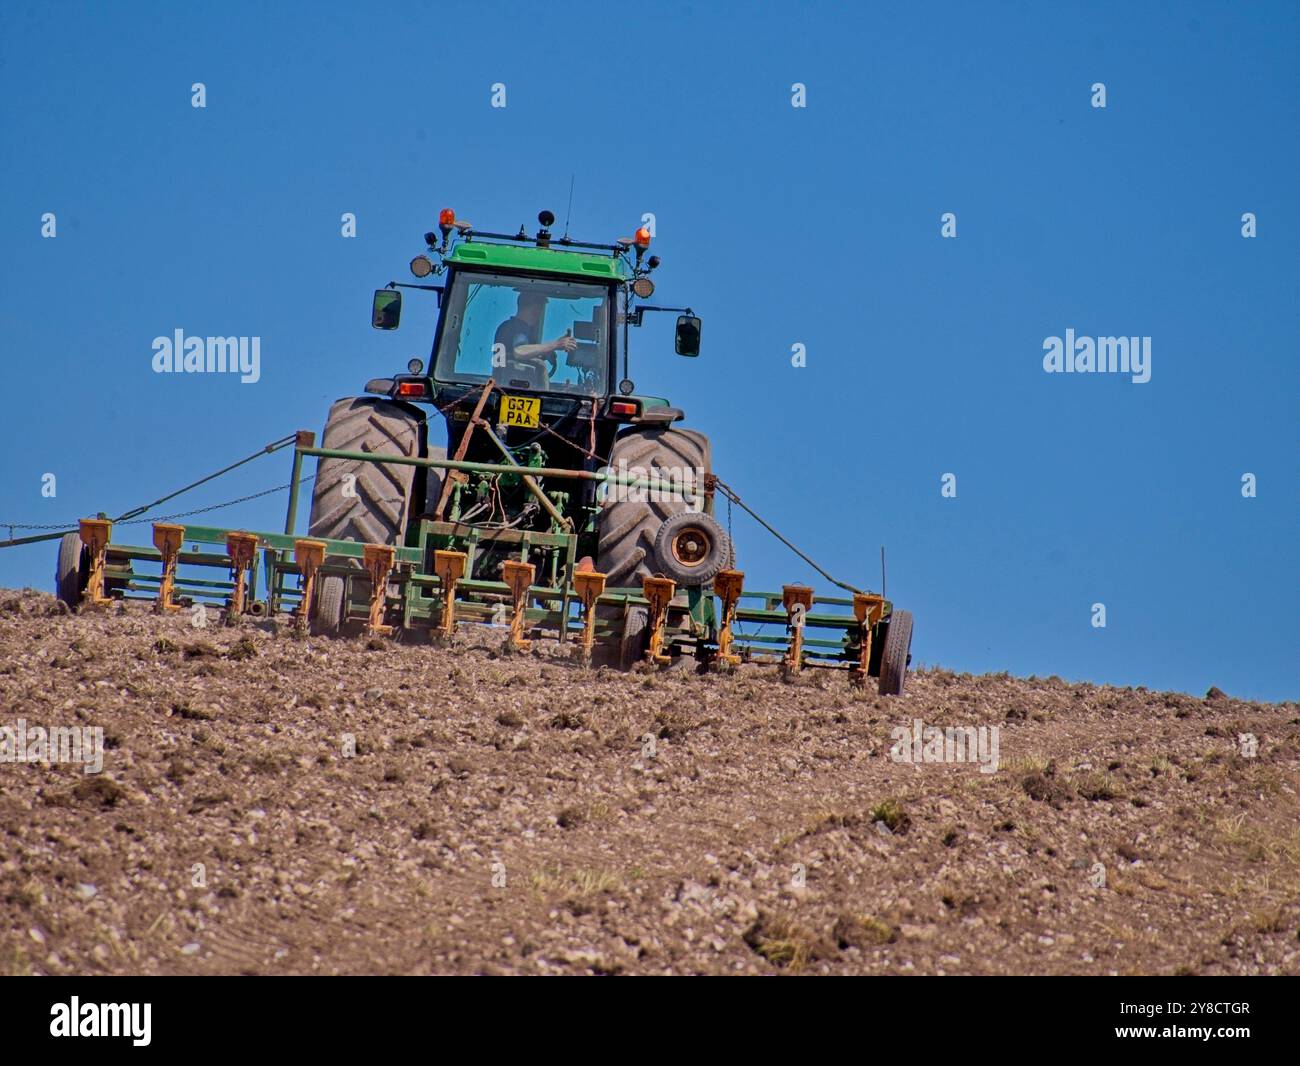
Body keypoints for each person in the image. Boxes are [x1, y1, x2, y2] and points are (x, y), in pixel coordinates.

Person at [493, 291, 577, 381]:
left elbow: (519, 356)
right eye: (540, 309)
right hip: (512, 386)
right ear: (536, 310)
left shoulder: (507, 327)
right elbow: (519, 351)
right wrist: (555, 345)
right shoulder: (514, 328)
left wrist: (544, 353)